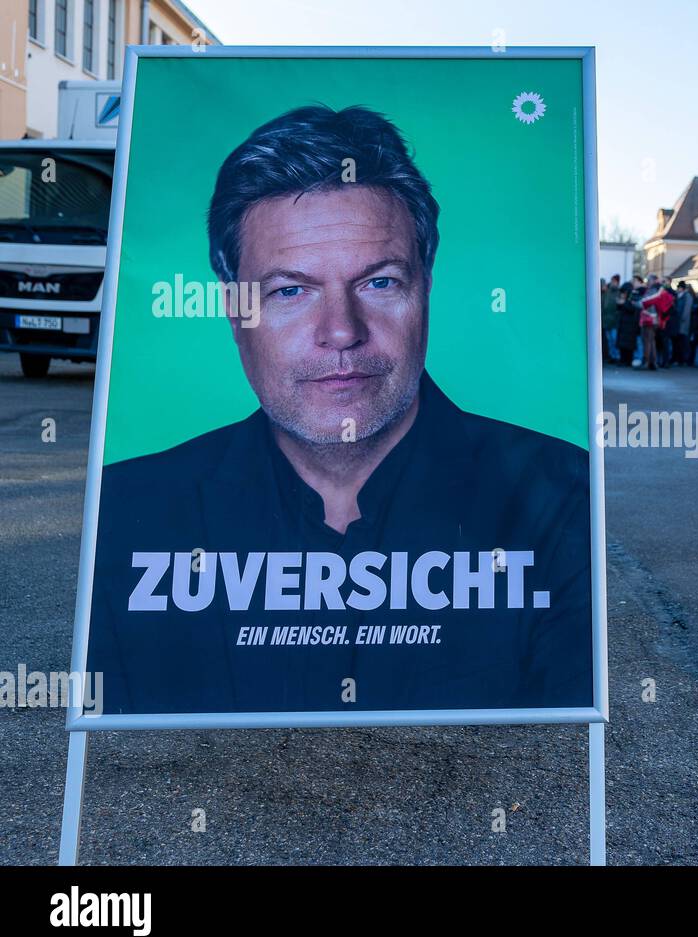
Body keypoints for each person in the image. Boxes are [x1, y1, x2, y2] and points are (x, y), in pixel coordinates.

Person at [90, 104, 593, 714]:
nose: (340, 332)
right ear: (233, 311)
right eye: (290, 291)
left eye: (379, 282)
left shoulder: (564, 500)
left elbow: (559, 771)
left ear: (426, 287)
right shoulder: (124, 510)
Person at [638, 277, 673, 371]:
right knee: (652, 341)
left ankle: (647, 362)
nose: (647, 282)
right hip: (654, 319)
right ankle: (652, 362)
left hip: (649, 318)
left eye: (649, 281)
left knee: (647, 341)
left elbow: (645, 302)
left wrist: (639, 303)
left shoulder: (653, 291)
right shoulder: (658, 291)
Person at [670, 282, 694, 367]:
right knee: (678, 341)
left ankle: (684, 359)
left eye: (679, 288)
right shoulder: (678, 296)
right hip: (677, 322)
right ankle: (678, 358)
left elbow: (686, 310)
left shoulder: (687, 296)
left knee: (684, 341)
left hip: (683, 322)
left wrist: (682, 318)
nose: (678, 289)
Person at [601, 275, 621, 362]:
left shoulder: (619, 292)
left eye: (614, 281)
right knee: (610, 340)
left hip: (614, 320)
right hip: (606, 320)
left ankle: (617, 356)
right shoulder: (607, 292)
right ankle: (612, 356)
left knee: (614, 339)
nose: (612, 283)